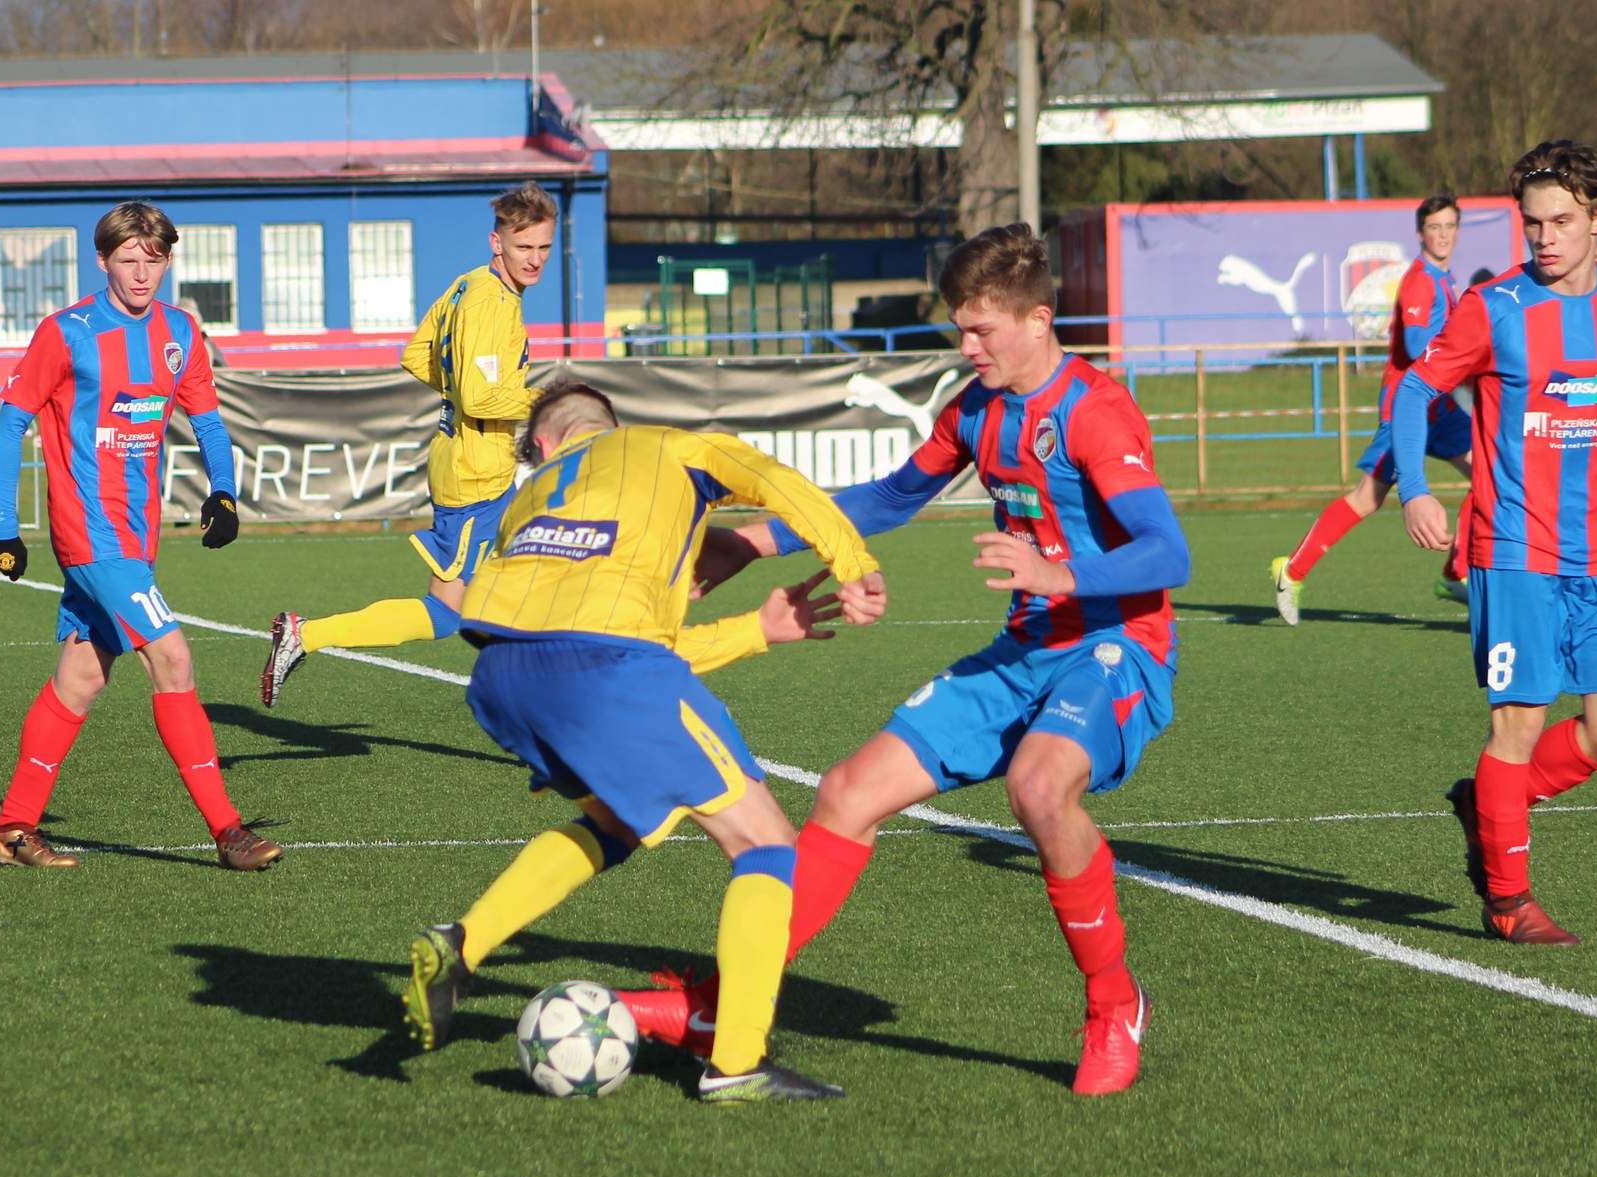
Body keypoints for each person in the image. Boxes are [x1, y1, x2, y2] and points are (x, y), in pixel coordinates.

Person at [620, 223, 1190, 1096]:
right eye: (960, 329)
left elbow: (1167, 551)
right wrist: (753, 542)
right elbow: (890, 497)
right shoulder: (974, 408)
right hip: (1026, 649)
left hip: (1116, 649)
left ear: (1038, 320)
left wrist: (1060, 573)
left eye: (981, 330)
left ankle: (1114, 1004)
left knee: (1040, 787)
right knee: (847, 791)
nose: (967, 347)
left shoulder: (1096, 411)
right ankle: (721, 1006)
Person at [402, 379, 888, 1103]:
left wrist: (754, 630)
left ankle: (463, 943)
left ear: (544, 445)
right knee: (766, 844)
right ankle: (737, 1062)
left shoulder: (526, 505)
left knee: (614, 823)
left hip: (502, 678)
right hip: (607, 666)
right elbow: (776, 481)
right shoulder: (672, 447)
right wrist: (854, 563)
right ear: (611, 422)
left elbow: (604, 643)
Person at [1392, 140, 1597, 944]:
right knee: (1517, 728)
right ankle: (1508, 901)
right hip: (1513, 550)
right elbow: (1416, 390)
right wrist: (1415, 487)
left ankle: (1488, 804)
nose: (1544, 237)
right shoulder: (1493, 307)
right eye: (1532, 223)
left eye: (1560, 221)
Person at [0, 201, 281, 871]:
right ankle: (229, 831)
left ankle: (10, 829)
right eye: (128, 260)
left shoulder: (180, 330)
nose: (142, 274)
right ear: (103, 261)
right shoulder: (67, 331)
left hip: (138, 535)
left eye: (154, 260)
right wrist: (4, 527)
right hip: (89, 532)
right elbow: (9, 422)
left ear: (168, 261)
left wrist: (223, 492)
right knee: (172, 657)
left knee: (81, 677)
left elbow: (207, 421)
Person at [261, 182, 556, 706]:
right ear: (497, 243)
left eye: (543, 247)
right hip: (477, 473)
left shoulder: (470, 284)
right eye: (523, 246)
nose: (534, 259)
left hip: (467, 462)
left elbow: (416, 355)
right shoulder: (491, 303)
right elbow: (480, 398)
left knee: (533, 570)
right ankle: (307, 634)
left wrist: (464, 388)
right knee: (448, 611)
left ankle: (550, 696)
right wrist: (546, 403)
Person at [1271, 194, 1476, 624]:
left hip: (1440, 407)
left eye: (1449, 226)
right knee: (1367, 499)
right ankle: (1291, 571)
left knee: (1493, 474)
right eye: (1434, 227)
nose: (1442, 235)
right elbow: (1417, 347)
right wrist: (1466, 358)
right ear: (1420, 233)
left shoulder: (1445, 278)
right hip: (1409, 407)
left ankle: (1454, 573)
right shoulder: (1420, 280)